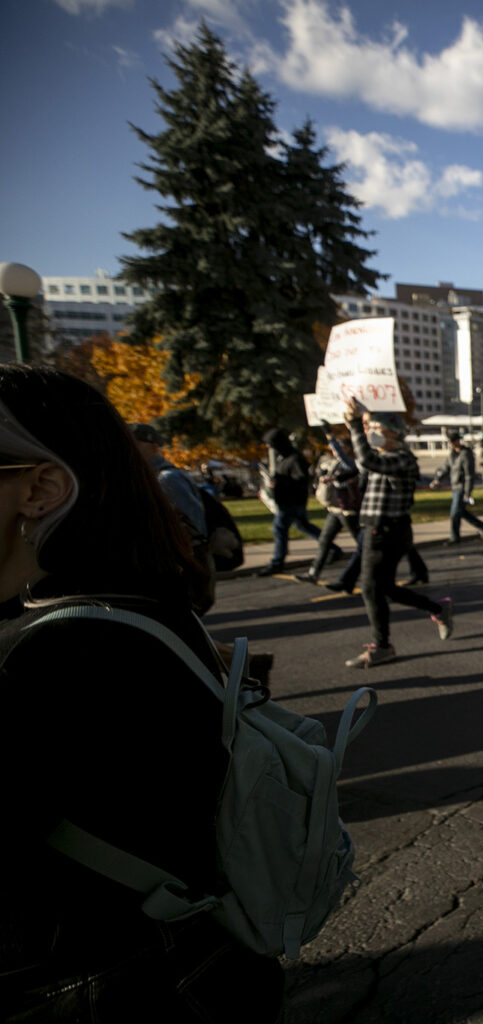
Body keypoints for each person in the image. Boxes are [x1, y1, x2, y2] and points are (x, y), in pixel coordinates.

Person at [0, 364, 282, 1021]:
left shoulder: (43, 659)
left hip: (110, 987)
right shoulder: (133, 602)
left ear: (39, 488)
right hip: (197, 963)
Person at [342, 398, 453, 668]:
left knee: (370, 588)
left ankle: (381, 646)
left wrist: (356, 425)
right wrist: (354, 422)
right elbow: (362, 461)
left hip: (386, 531)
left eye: (378, 429)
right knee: (385, 589)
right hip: (377, 529)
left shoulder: (402, 459)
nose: (372, 433)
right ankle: (437, 609)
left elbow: (367, 460)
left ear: (394, 434)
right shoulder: (384, 458)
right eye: (371, 428)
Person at [131, 422, 217, 613]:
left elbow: (192, 526)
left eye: (134, 443)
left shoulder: (167, 479)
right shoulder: (147, 478)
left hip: (181, 572)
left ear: (154, 447)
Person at [256, 426, 322, 575]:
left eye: (271, 444)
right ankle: (331, 548)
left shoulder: (295, 459)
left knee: (279, 528)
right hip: (287, 501)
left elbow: (301, 480)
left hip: (292, 501)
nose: (269, 448)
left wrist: (279, 483)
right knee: (303, 526)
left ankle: (277, 561)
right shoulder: (284, 458)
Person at [305, 429, 362, 584]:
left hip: (349, 510)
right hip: (335, 509)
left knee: (362, 545)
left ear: (348, 449)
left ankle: (378, 576)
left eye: (339, 447)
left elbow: (348, 470)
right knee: (324, 541)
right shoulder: (333, 464)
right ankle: (313, 573)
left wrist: (331, 437)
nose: (334, 451)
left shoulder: (354, 463)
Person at [432, 430, 483, 543]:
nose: (451, 444)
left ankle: (454, 537)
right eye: (450, 442)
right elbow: (446, 468)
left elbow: (469, 475)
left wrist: (467, 492)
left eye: (453, 442)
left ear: (458, 441)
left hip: (462, 487)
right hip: (455, 487)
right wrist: (437, 479)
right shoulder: (452, 454)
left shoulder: (466, 454)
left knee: (455, 512)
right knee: (460, 512)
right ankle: (482, 526)